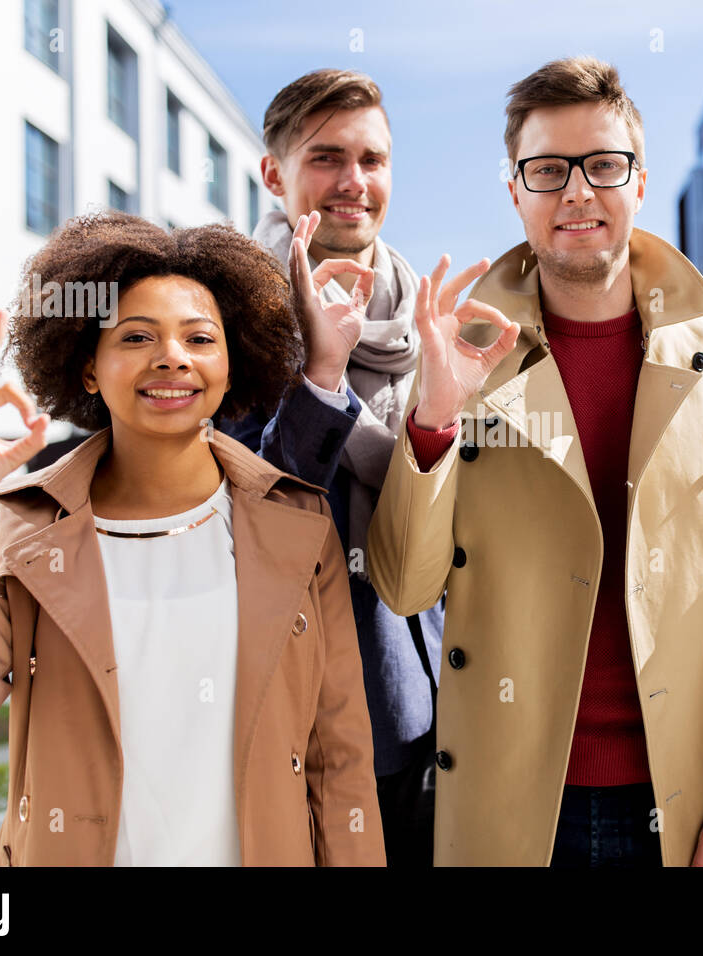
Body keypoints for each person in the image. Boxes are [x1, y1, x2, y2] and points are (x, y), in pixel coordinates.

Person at [0, 212, 385, 866]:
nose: (171, 356)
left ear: (231, 366)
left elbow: (339, 765)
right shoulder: (10, 529)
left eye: (200, 338)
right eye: (137, 336)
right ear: (88, 369)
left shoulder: (301, 523)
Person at [366, 56, 703, 866]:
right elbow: (407, 586)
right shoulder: (464, 355)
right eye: (548, 170)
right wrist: (434, 418)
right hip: (513, 802)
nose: (578, 192)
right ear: (514, 191)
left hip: (683, 798)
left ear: (641, 182)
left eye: (603, 165)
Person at [234, 69, 442, 866]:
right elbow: (243, 517)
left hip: (415, 717)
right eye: (326, 158)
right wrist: (321, 378)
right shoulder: (220, 320)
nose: (355, 182)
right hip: (284, 727)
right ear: (274, 173)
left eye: (373, 159)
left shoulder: (426, 324)